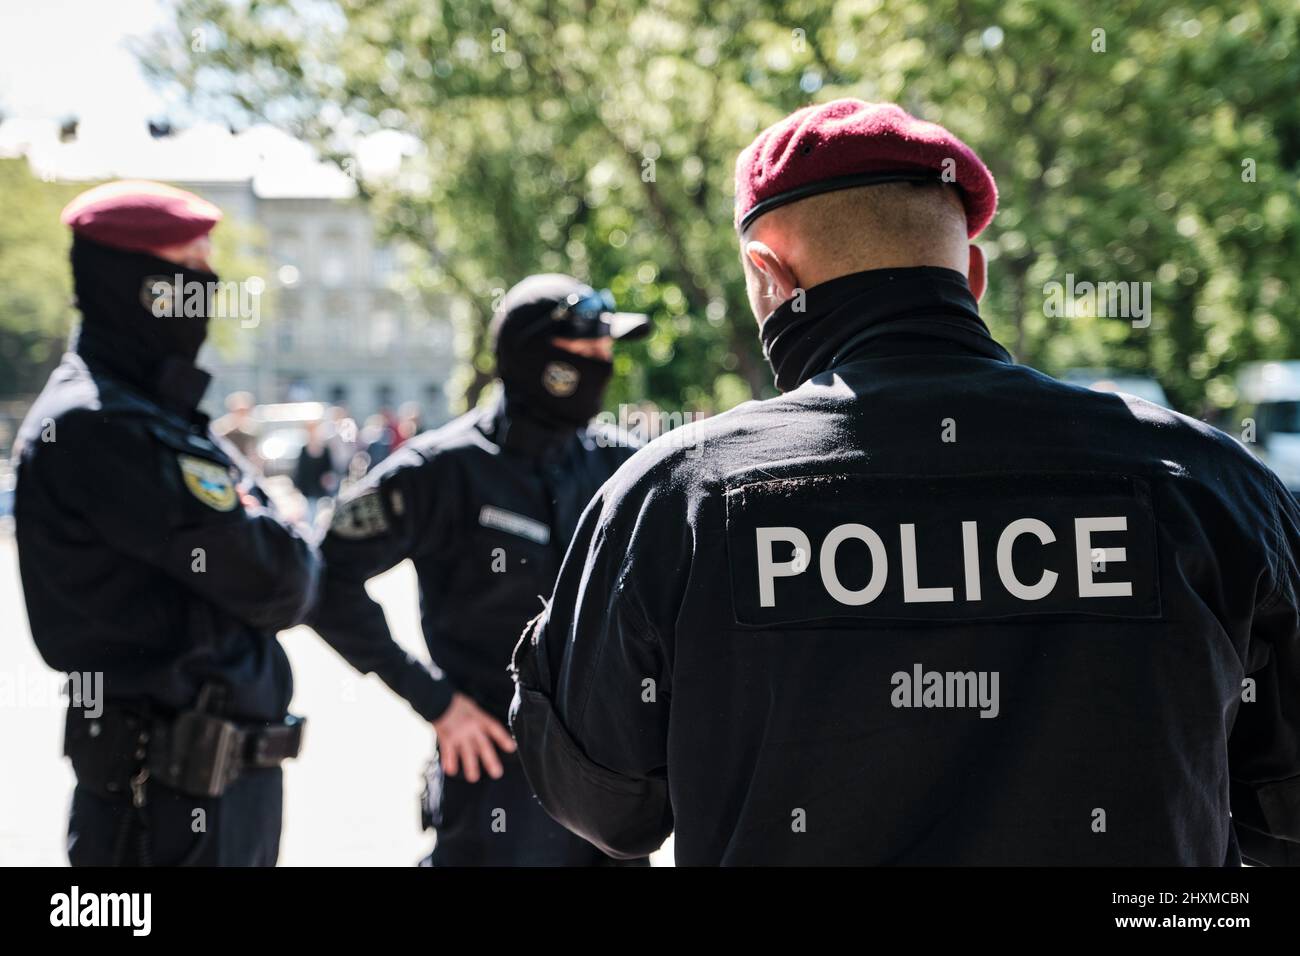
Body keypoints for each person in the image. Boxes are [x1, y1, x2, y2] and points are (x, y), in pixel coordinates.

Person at [509, 99, 1300, 866]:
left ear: (769, 272)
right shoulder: (1212, 485)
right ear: (973, 275)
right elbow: (1284, 816)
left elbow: (608, 806)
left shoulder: (673, 499)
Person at [14, 180, 321, 866]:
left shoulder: (157, 413)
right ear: (134, 283)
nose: (208, 289)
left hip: (209, 799)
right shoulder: (103, 426)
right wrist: (273, 520)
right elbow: (283, 581)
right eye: (190, 270)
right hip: (164, 808)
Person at [308, 274, 650, 865]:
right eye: (587, 351)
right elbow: (321, 578)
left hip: (609, 784)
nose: (605, 362)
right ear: (538, 361)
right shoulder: (441, 471)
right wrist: (434, 700)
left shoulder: (622, 465)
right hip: (494, 774)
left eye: (607, 349)